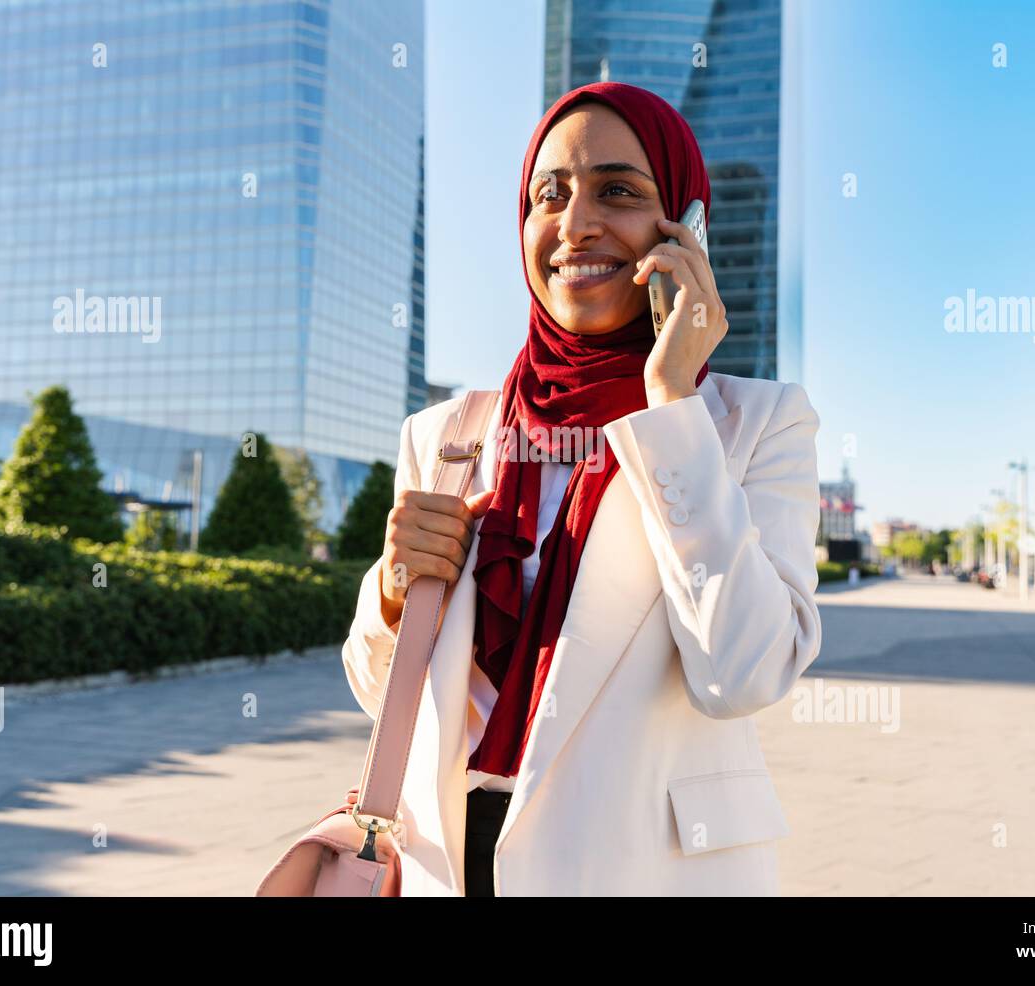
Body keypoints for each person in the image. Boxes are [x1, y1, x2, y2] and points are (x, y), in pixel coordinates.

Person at [341, 82, 823, 896]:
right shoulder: (447, 435)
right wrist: (390, 592)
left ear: (687, 226)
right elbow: (378, 691)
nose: (575, 224)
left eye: (620, 192)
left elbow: (743, 673)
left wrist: (673, 407)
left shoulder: (757, 424)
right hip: (454, 864)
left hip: (645, 873)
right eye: (549, 195)